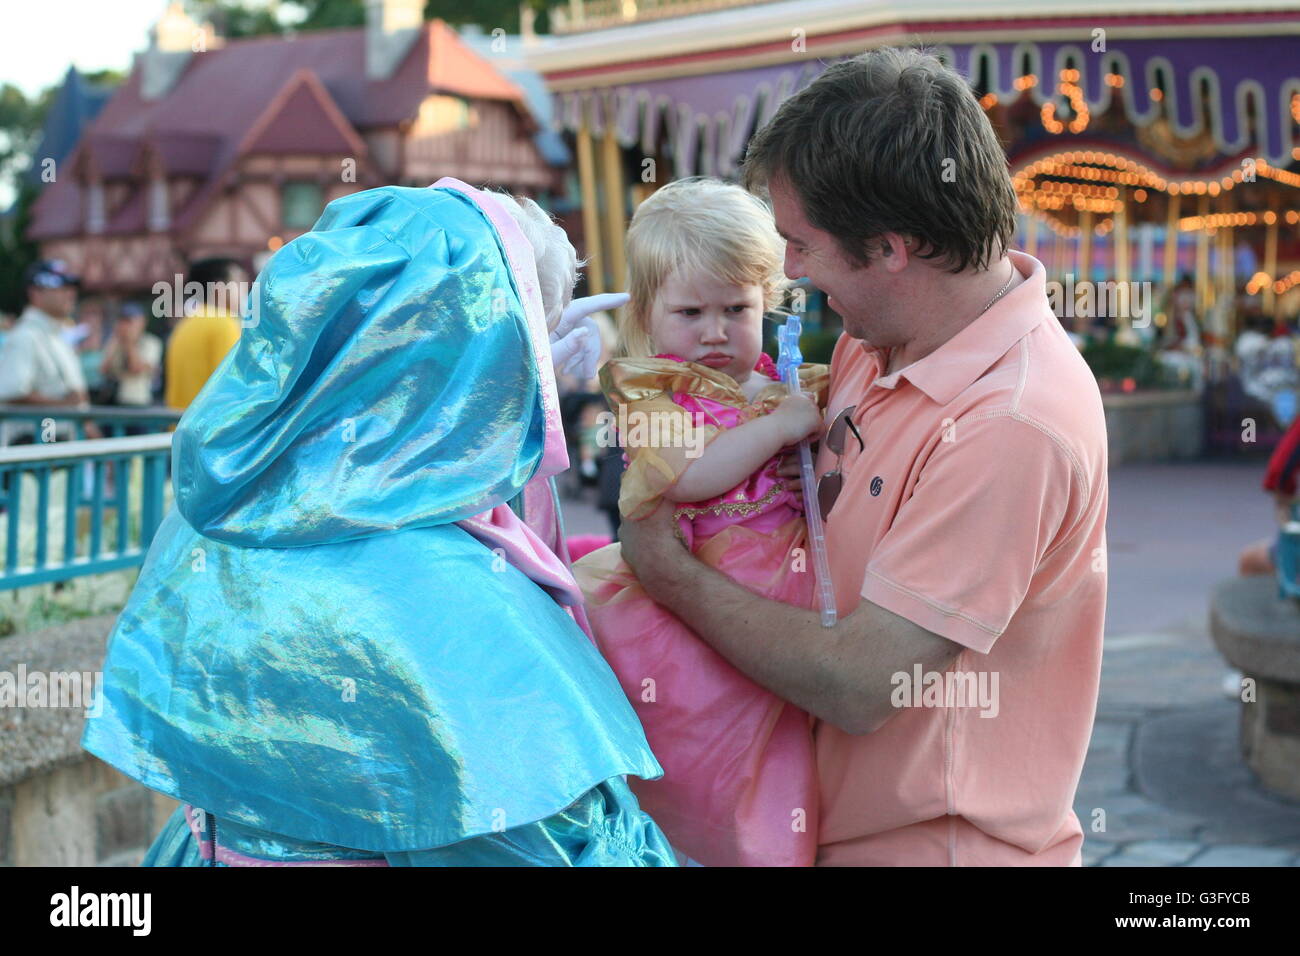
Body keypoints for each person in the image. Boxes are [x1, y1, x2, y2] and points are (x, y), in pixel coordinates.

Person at [82, 179, 676, 867]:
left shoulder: (214, 525)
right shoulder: (456, 601)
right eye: (531, 345)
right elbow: (545, 837)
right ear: (483, 355)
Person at [615, 48, 1109, 866]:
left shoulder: (1011, 422)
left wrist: (666, 571)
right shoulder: (872, 347)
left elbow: (860, 682)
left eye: (801, 246)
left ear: (889, 247)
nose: (792, 275)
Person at [575, 178, 827, 867]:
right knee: (709, 740)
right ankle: (710, 844)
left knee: (782, 743)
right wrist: (778, 429)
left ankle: (779, 843)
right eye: (691, 311)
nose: (716, 332)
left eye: (737, 309)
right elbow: (690, 475)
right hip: (698, 589)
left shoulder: (776, 380)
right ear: (648, 316)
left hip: (781, 583)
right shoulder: (655, 394)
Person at [0, 260, 92, 444]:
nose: (70, 294)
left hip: (57, 450)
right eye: (61, 287)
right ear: (36, 293)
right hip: (33, 455)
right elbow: (10, 393)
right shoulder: (25, 336)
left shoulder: (58, 337)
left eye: (71, 287)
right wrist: (66, 406)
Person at [163, 257, 245, 410]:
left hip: (179, 427)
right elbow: (231, 388)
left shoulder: (184, 325)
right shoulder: (223, 323)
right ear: (219, 289)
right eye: (239, 283)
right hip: (210, 430)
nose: (245, 290)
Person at [100, 302, 163, 409]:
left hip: (138, 403)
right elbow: (104, 370)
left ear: (142, 322)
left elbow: (136, 368)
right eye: (123, 321)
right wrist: (116, 340)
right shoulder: (115, 342)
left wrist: (129, 343)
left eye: (130, 321)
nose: (125, 326)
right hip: (113, 403)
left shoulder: (152, 342)